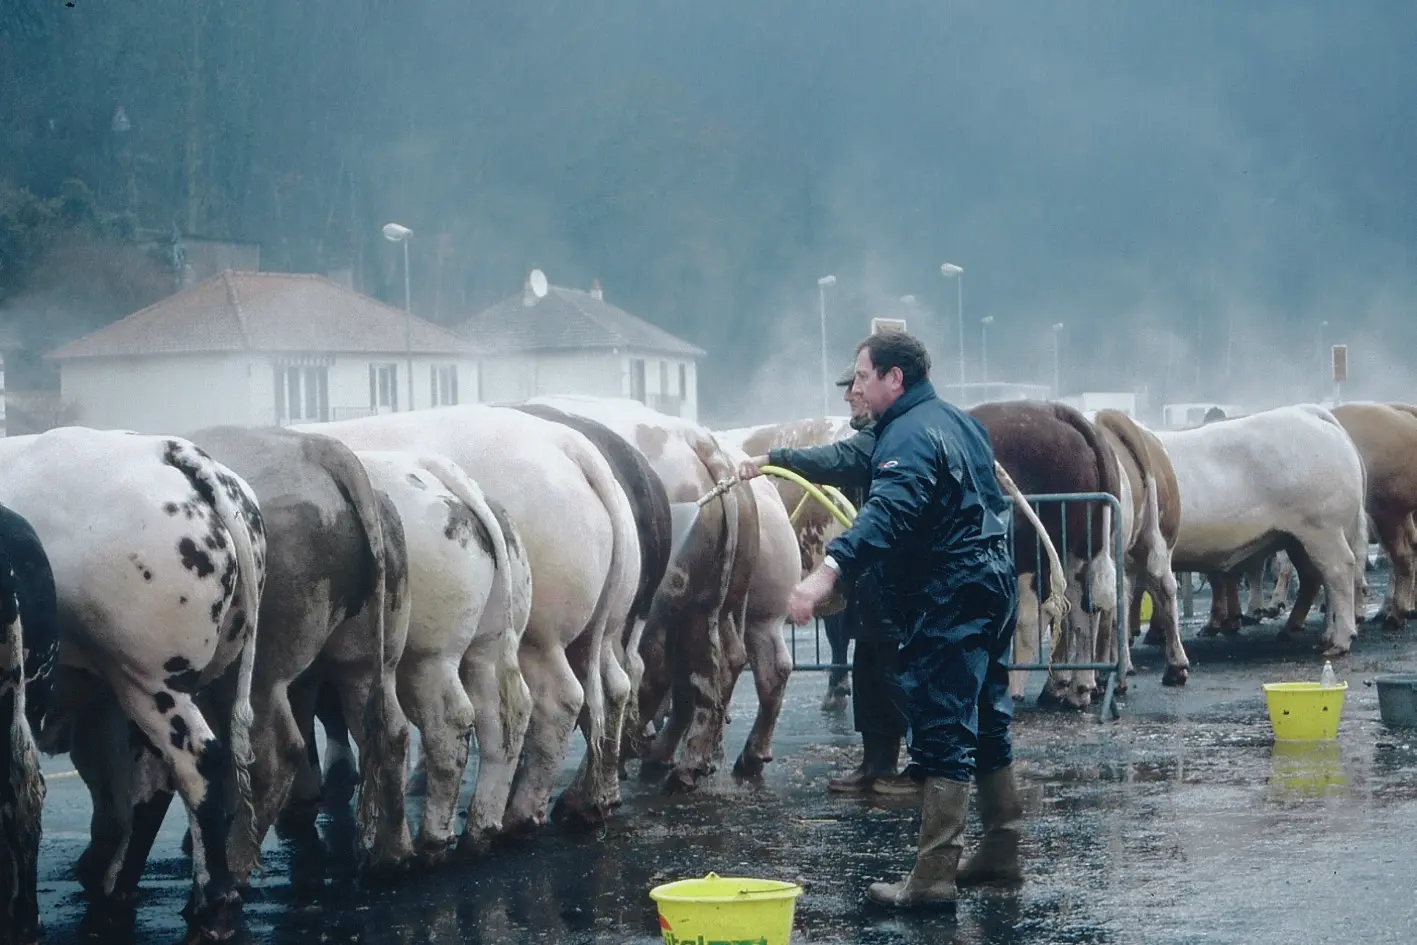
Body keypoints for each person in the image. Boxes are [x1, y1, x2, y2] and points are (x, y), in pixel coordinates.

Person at [737, 331, 1024, 913]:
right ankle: (1001, 849)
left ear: (896, 378)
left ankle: (933, 878)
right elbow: (850, 459)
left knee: (944, 728)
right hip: (991, 583)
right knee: (989, 716)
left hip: (951, 591)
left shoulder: (910, 439)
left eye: (863, 375)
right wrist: (776, 460)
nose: (855, 386)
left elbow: (888, 512)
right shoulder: (948, 422)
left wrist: (824, 576)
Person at [768, 364, 911, 794]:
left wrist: (773, 461)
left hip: (909, 580)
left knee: (901, 673)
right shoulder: (882, 434)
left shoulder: (897, 436)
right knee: (869, 666)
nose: (849, 395)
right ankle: (876, 765)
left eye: (857, 384)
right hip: (881, 580)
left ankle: (925, 772)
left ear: (890, 383)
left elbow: (846, 466)